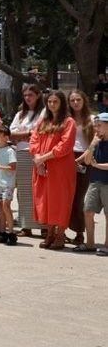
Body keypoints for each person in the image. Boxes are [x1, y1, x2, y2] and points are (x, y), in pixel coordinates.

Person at [30, 91, 78, 250]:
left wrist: (43, 159)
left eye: (55, 102)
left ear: (62, 103)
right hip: (42, 167)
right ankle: (49, 233)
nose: (51, 104)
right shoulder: (43, 121)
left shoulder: (68, 122)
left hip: (61, 168)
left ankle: (60, 235)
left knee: (61, 200)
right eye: (49, 102)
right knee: (46, 199)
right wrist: (38, 160)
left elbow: (64, 146)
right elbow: (34, 140)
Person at [9, 84, 45, 236]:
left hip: (37, 153)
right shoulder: (20, 114)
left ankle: (44, 226)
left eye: (31, 95)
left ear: (37, 95)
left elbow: (39, 132)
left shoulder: (44, 112)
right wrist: (27, 133)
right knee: (23, 191)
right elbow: (10, 132)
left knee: (39, 191)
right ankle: (26, 226)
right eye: (26, 95)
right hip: (21, 153)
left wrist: (23, 134)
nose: (28, 98)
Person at [67, 90, 95, 245]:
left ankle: (79, 232)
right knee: (65, 197)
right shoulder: (66, 118)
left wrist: (80, 159)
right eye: (72, 100)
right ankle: (61, 230)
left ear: (84, 101)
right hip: (66, 158)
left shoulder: (91, 119)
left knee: (78, 198)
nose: (75, 103)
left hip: (84, 159)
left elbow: (93, 144)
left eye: (78, 99)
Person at [79, 113, 108, 255]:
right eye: (95, 125)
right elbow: (87, 161)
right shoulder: (96, 141)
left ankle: (107, 245)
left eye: (99, 125)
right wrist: (91, 145)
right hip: (94, 181)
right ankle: (90, 243)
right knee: (88, 211)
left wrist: (98, 166)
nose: (96, 128)